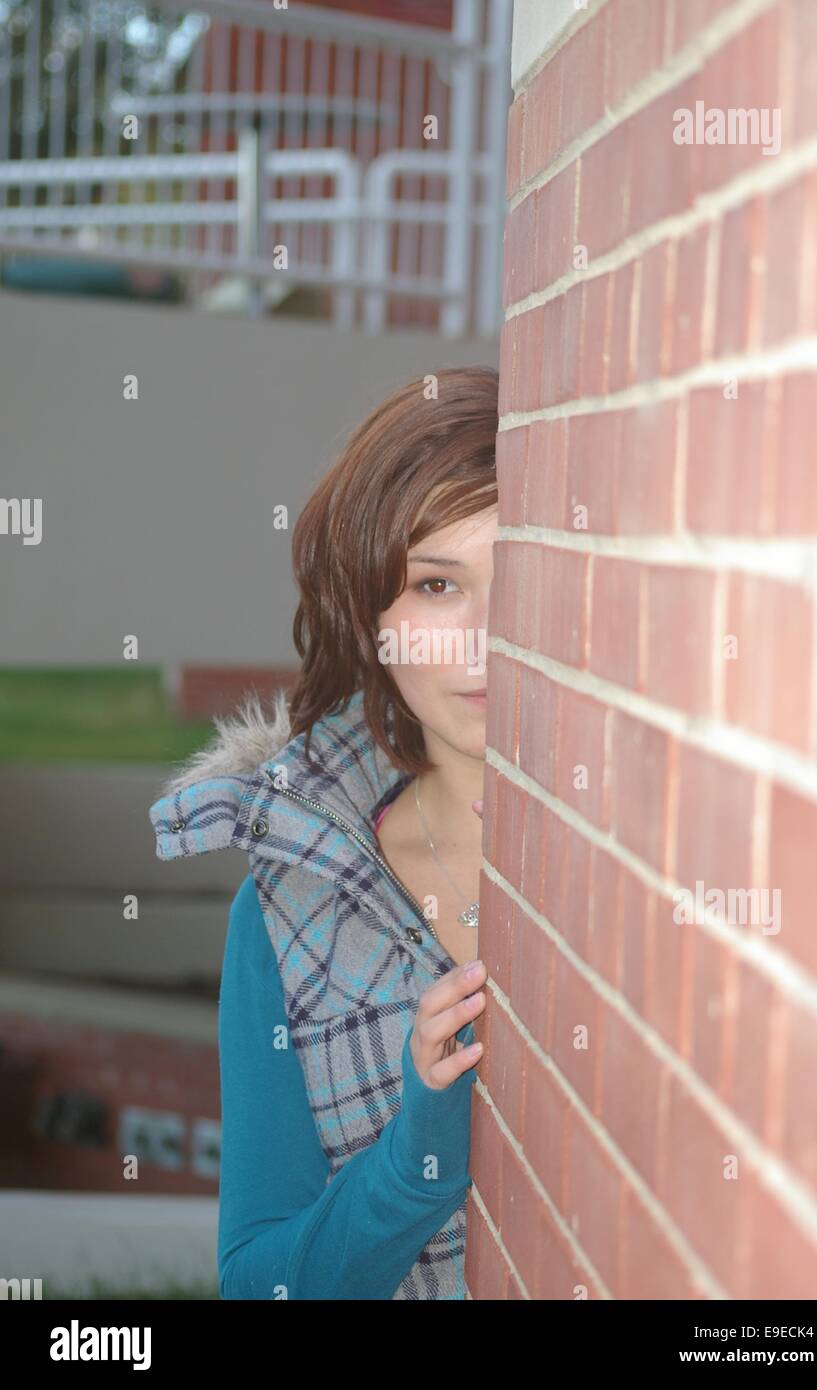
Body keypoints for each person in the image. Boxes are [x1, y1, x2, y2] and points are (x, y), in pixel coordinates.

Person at [148, 365, 499, 1300]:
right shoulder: (289, 906)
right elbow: (260, 1283)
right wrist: (416, 1158)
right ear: (370, 617)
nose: (484, 638)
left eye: (523, 577)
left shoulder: (664, 855)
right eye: (436, 584)